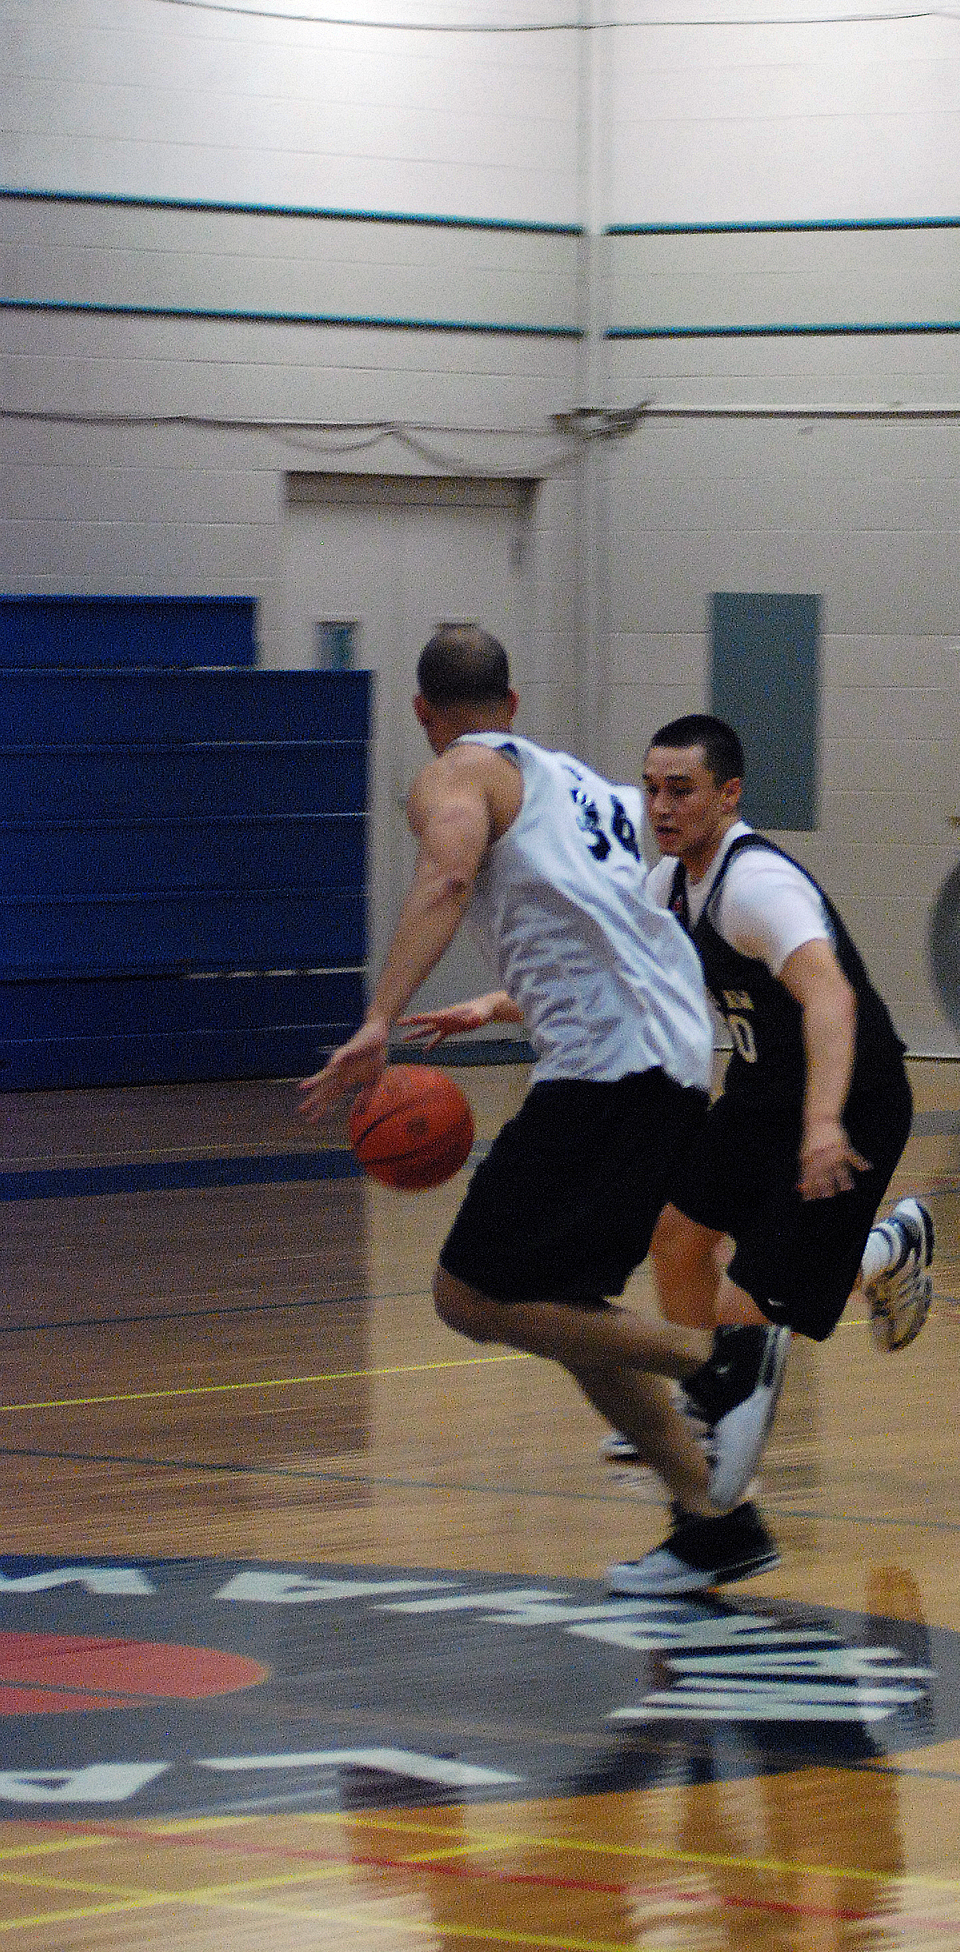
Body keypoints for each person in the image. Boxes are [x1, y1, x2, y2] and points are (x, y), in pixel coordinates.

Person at [298, 624, 790, 1595]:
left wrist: (377, 1020)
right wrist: (497, 1001)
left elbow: (446, 875)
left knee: (467, 1295)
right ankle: (711, 1519)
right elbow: (622, 921)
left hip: (606, 1069)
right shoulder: (590, 788)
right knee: (565, 1308)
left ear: (421, 712)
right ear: (513, 703)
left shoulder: (453, 777)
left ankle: (717, 1362)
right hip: (664, 1057)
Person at [634, 715, 934, 1385]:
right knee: (674, 1240)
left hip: (853, 1102)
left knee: (747, 1308)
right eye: (651, 788)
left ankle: (718, 1442)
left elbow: (831, 998)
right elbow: (616, 977)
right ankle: (699, 1400)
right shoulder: (668, 886)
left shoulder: (756, 886)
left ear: (729, 794)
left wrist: (823, 1122)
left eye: (680, 790)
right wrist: (502, 1005)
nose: (660, 807)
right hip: (760, 1097)